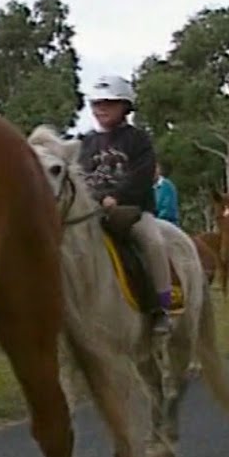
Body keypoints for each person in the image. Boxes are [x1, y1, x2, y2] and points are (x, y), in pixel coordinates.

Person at [79, 75, 175, 337]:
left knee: (153, 242)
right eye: (97, 104)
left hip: (132, 211)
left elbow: (142, 175)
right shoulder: (86, 143)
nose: (101, 109)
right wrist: (95, 200)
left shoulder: (137, 139)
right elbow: (81, 177)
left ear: (125, 106)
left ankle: (161, 308)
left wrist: (117, 197)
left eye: (108, 103)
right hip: (93, 211)